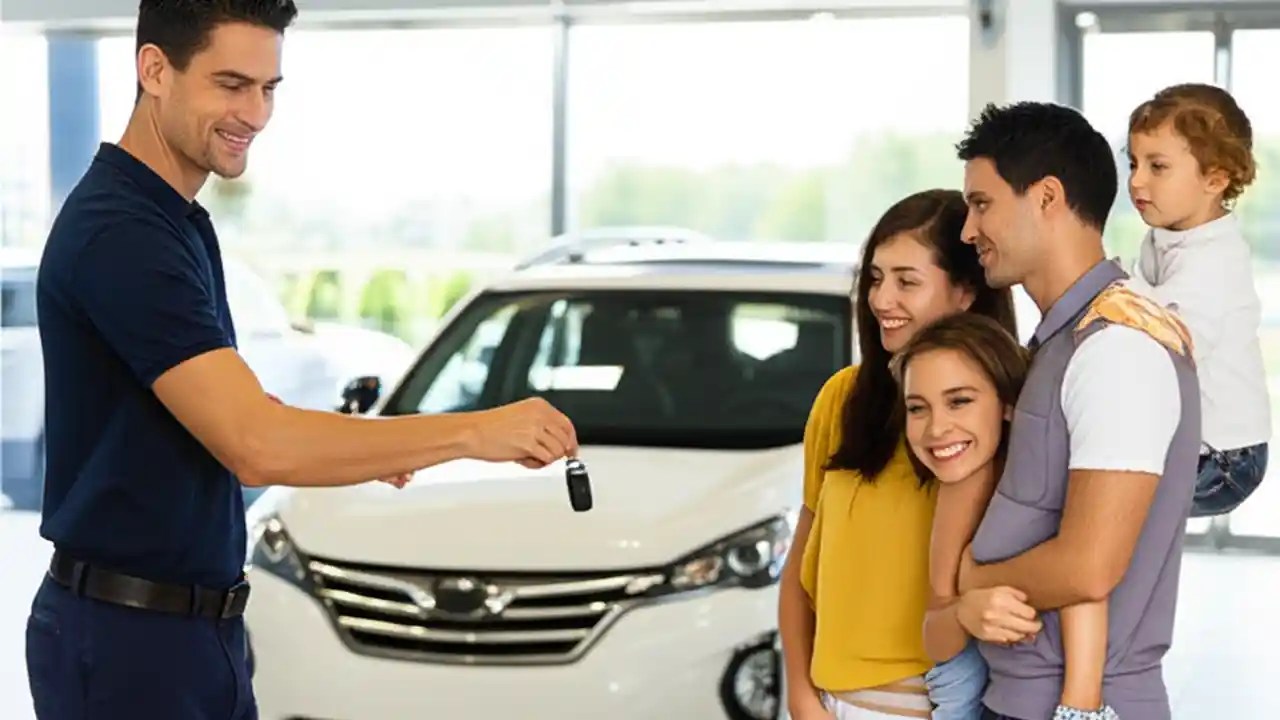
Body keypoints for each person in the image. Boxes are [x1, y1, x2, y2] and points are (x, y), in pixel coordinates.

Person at [27, 3, 578, 719]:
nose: (254, 114)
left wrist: (366, 448)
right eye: (231, 84)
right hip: (132, 644)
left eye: (269, 88)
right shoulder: (123, 234)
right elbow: (255, 444)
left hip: (188, 634)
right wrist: (473, 433)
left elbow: (214, 415)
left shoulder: (174, 220)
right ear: (155, 70)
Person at [942, 101, 1201, 720]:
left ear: (1048, 197)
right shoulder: (1067, 341)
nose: (967, 231)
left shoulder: (1118, 348)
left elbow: (1089, 566)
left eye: (982, 204)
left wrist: (970, 581)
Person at [777, 188, 1018, 720]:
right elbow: (801, 566)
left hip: (932, 701)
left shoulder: (1003, 412)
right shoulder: (842, 398)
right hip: (826, 699)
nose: (883, 300)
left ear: (964, 291)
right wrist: (799, 693)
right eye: (876, 278)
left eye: (907, 281)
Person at [892, 312, 1119, 720]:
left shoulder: (1048, 472)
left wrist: (1080, 707)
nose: (936, 429)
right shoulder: (962, 483)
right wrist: (964, 612)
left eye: (959, 401)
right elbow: (936, 633)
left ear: (1009, 403)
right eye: (917, 408)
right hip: (969, 697)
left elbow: (1084, 586)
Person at [1124, 82, 1270, 518]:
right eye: (1133, 163)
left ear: (1215, 178)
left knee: (1104, 495)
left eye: (1158, 166)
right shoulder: (1163, 239)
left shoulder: (1216, 256)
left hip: (1227, 456)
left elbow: (1170, 341)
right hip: (1197, 443)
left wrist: (1114, 285)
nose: (1136, 180)